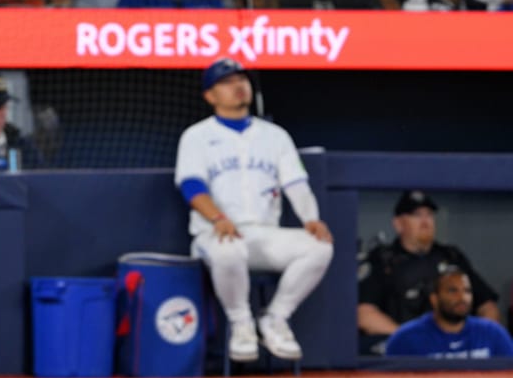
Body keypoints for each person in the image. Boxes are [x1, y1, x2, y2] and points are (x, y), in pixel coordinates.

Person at [174, 58, 334, 362]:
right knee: (228, 249)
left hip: (264, 234)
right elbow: (191, 186)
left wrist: (311, 218)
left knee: (319, 247)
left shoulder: (274, 135)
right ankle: (241, 324)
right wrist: (218, 218)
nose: (237, 86)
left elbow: (296, 184)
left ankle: (275, 318)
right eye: (226, 82)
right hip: (214, 234)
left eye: (241, 79)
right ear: (210, 95)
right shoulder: (196, 136)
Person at [359, 190, 502, 353]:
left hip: (452, 351)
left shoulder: (451, 256)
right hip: (405, 352)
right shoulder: (383, 260)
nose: (425, 221)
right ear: (398, 224)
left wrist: (478, 339)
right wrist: (412, 339)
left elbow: (488, 306)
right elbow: (365, 314)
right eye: (417, 215)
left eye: (429, 215)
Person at [384, 269, 513, 358]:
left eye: (467, 291)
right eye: (452, 291)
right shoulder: (405, 338)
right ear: (434, 299)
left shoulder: (493, 333)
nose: (462, 297)